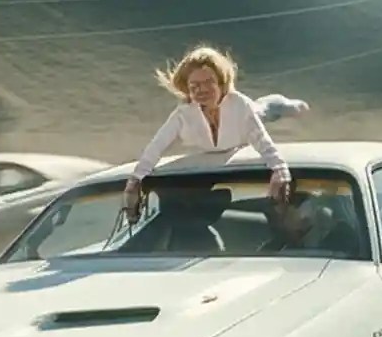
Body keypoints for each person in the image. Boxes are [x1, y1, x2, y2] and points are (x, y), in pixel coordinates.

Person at [124, 45, 304, 223]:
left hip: (252, 117)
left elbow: (262, 142)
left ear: (222, 83)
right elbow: (156, 146)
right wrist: (136, 179)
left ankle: (289, 104)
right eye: (194, 86)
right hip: (224, 146)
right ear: (187, 89)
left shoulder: (239, 105)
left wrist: (280, 169)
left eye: (208, 82)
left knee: (266, 108)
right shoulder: (182, 115)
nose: (202, 90)